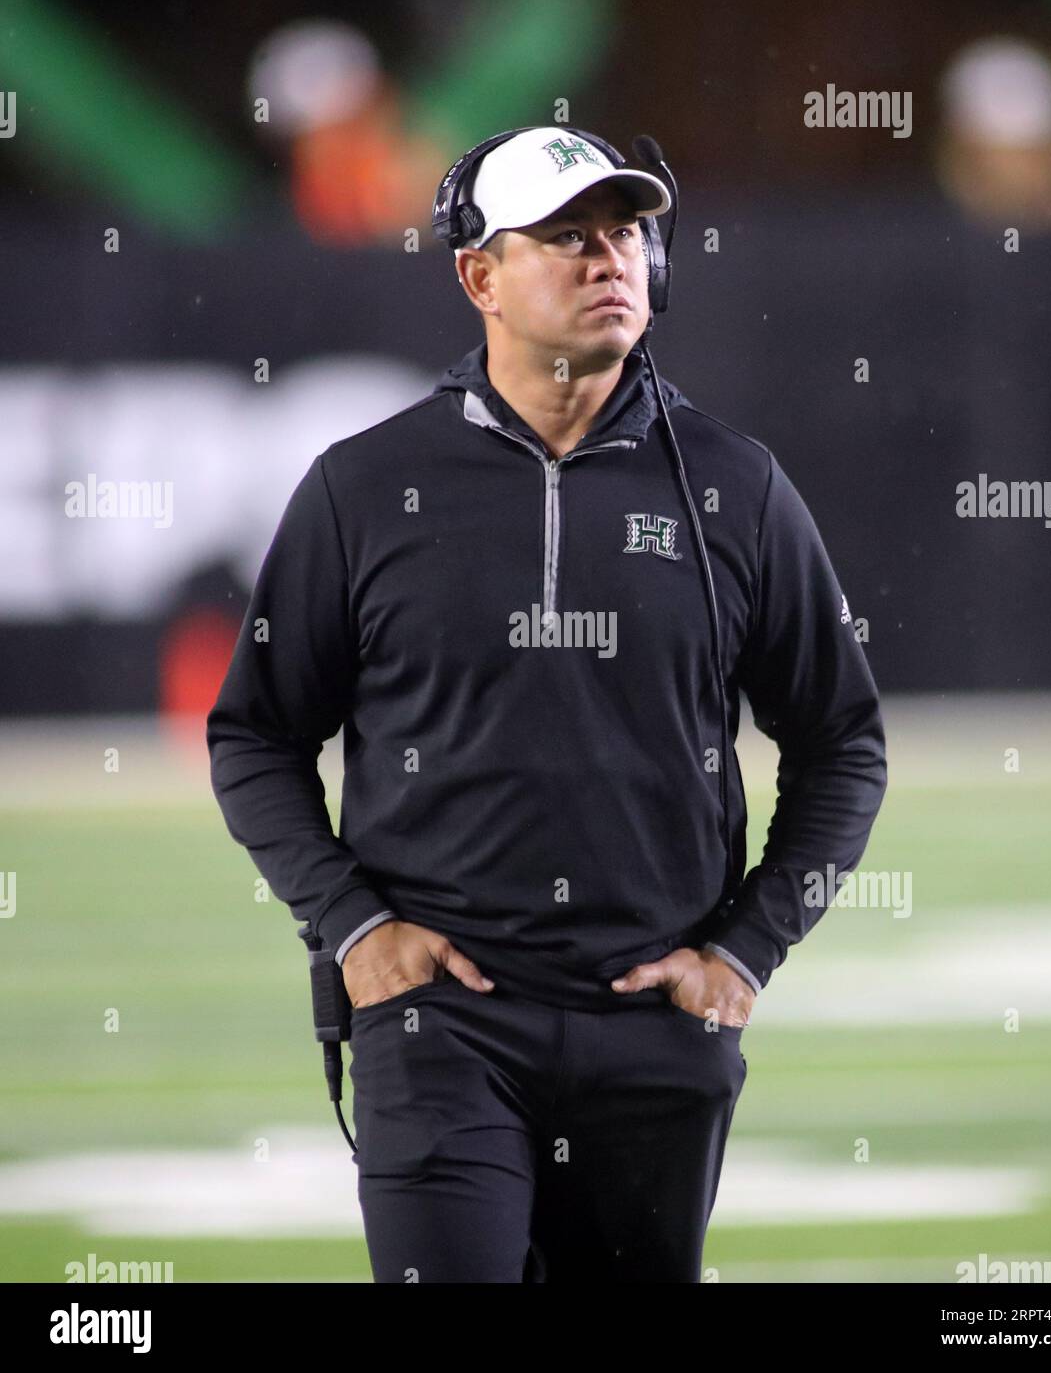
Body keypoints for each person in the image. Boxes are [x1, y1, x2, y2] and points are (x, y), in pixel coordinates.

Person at [206, 126, 888, 1282]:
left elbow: (842, 744)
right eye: (566, 238)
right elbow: (256, 736)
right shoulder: (363, 489)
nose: (609, 259)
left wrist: (747, 950)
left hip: (659, 1031)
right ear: (478, 275)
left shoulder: (736, 486)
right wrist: (355, 928)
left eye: (625, 233)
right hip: (440, 1024)